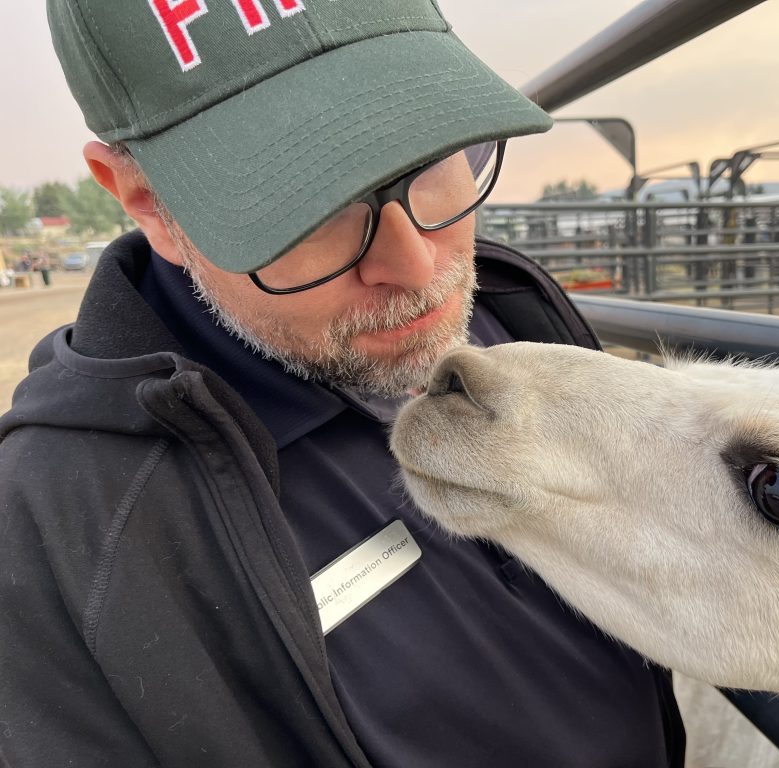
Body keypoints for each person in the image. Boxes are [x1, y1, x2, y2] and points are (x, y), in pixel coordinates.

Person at [0, 2, 684, 767]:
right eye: (311, 204)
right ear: (145, 200)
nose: (419, 269)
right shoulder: (64, 542)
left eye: (427, 159)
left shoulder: (508, 306)